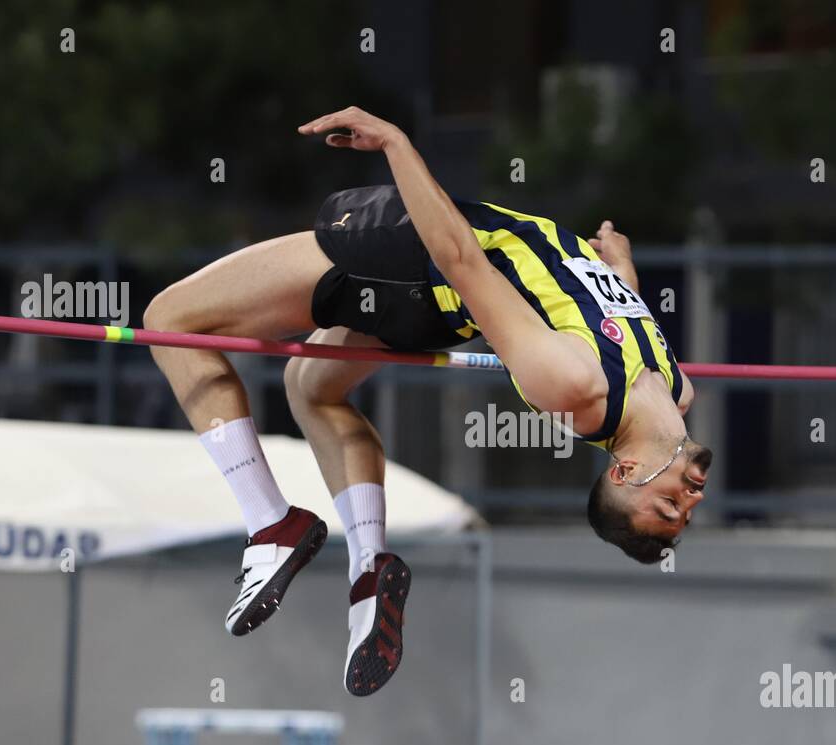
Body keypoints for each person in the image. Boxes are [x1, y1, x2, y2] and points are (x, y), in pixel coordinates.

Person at [144, 106, 711, 697]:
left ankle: (270, 524)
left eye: (667, 507)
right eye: (685, 515)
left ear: (626, 471)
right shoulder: (674, 391)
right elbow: (606, 316)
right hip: (423, 294)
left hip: (408, 263)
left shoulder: (571, 386)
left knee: (170, 318)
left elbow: (460, 258)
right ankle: (369, 569)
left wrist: (395, 143)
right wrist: (622, 274)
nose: (690, 503)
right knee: (310, 387)